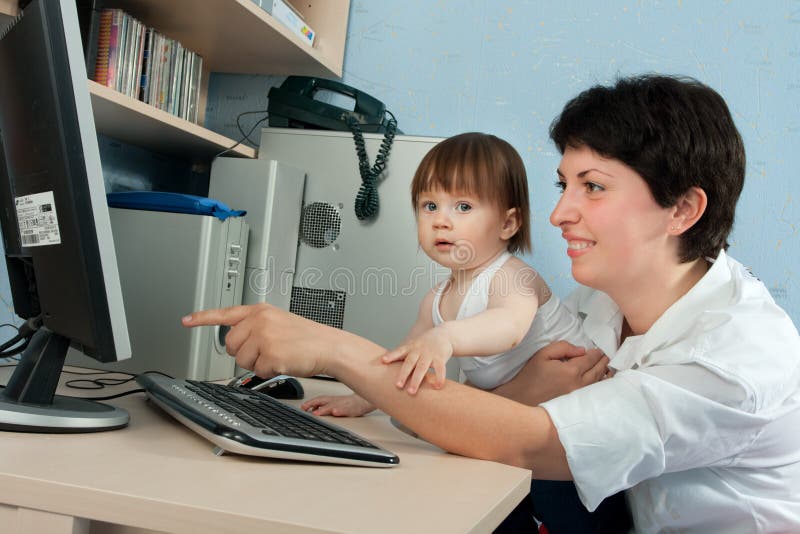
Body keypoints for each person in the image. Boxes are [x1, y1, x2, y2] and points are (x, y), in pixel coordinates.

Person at [183, 74, 800, 532]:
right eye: (564, 184)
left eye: (594, 187)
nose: (559, 213)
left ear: (683, 210)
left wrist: (338, 351)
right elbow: (524, 417)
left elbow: (535, 443)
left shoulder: (737, 356)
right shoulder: (601, 300)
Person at [300, 132, 590, 419]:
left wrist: (445, 336)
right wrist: (363, 399)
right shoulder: (435, 301)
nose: (440, 221)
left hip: (584, 400)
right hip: (529, 411)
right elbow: (406, 358)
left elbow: (509, 326)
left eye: (463, 207)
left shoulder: (512, 277)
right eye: (430, 206)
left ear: (508, 223)